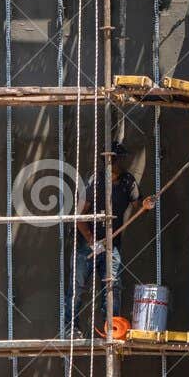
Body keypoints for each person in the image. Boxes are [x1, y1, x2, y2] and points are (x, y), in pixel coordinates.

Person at [68, 141, 154, 337]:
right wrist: (91, 241)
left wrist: (145, 204)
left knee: (112, 285)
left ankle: (111, 329)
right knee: (77, 287)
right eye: (119, 160)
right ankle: (70, 329)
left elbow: (138, 203)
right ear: (111, 161)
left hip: (111, 245)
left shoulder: (127, 182)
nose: (123, 164)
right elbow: (80, 215)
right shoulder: (95, 182)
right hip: (86, 245)